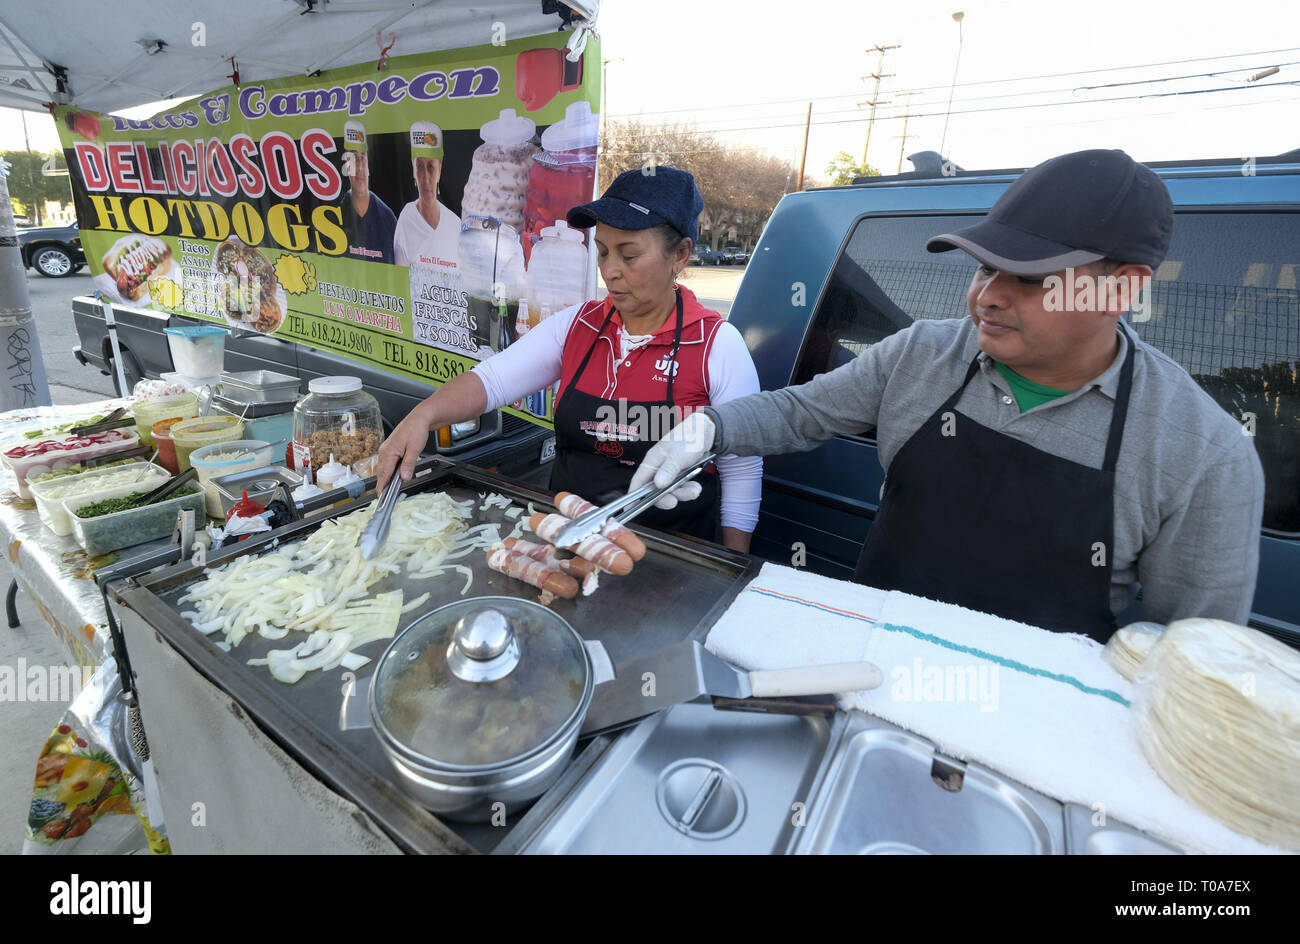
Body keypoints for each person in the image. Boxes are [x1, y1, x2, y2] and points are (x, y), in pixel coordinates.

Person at [630, 149, 1265, 640]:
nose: (988, 296)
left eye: (1029, 278)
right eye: (985, 266)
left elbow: (1196, 659)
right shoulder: (923, 353)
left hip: (1028, 728)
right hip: (871, 668)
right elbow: (801, 412)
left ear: (1120, 289)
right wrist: (709, 429)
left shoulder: (1203, 454)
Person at [378, 166, 763, 551]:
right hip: (568, 547)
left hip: (674, 558)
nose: (610, 271)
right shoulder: (578, 326)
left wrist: (732, 566)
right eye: (603, 252)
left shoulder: (715, 345)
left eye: (629, 256)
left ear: (680, 255)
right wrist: (423, 416)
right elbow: (492, 380)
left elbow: (742, 469)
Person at [393, 120, 460, 270]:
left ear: (440, 169)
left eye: (431, 167)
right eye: (420, 167)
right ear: (413, 170)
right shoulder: (407, 219)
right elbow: (400, 274)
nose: (426, 178)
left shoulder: (455, 224)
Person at [340, 120, 397, 265]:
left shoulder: (387, 218)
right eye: (353, 159)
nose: (359, 167)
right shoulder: (336, 213)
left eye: (362, 158)